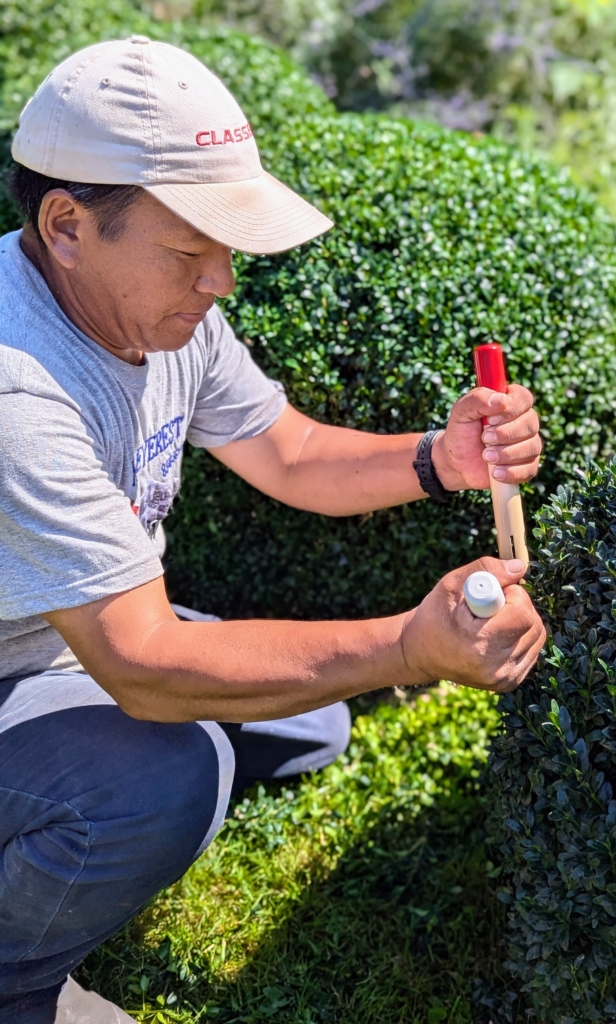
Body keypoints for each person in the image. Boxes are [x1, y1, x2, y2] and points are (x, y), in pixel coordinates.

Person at [0, 35, 547, 1024]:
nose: (221, 281)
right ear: (68, 223)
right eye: (189, 247)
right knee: (174, 772)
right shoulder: (17, 385)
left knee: (309, 722)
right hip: (51, 659)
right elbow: (142, 662)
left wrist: (441, 458)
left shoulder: (156, 310)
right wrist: (405, 648)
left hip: (54, 637)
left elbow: (286, 453)